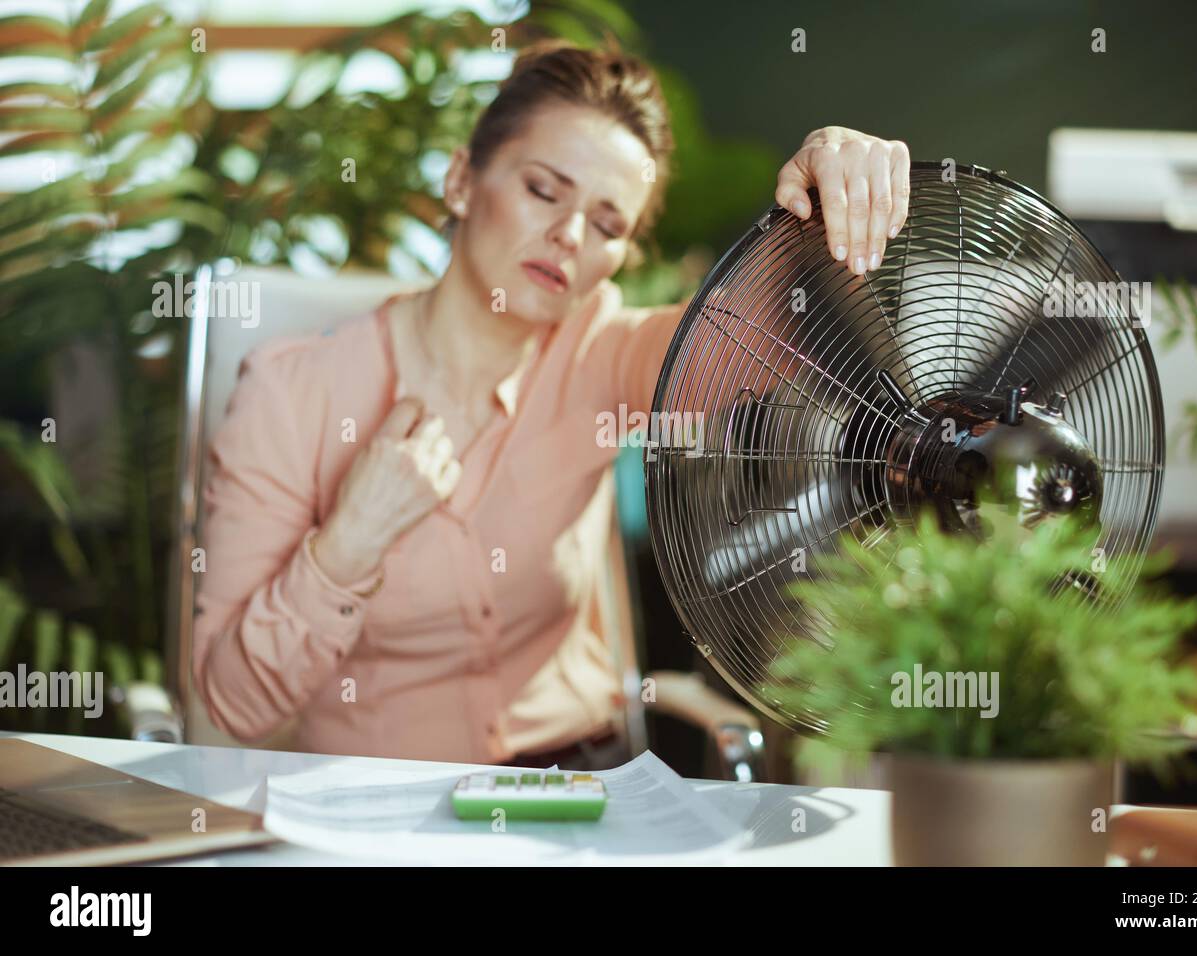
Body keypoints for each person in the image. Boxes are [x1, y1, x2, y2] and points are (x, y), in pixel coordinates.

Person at [193, 39, 911, 766]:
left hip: (580, 795)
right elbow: (235, 703)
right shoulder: (291, 395)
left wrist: (816, 216)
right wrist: (350, 541)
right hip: (374, 807)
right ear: (461, 181)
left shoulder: (600, 351)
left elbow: (729, 347)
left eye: (607, 225)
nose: (569, 236)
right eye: (543, 190)